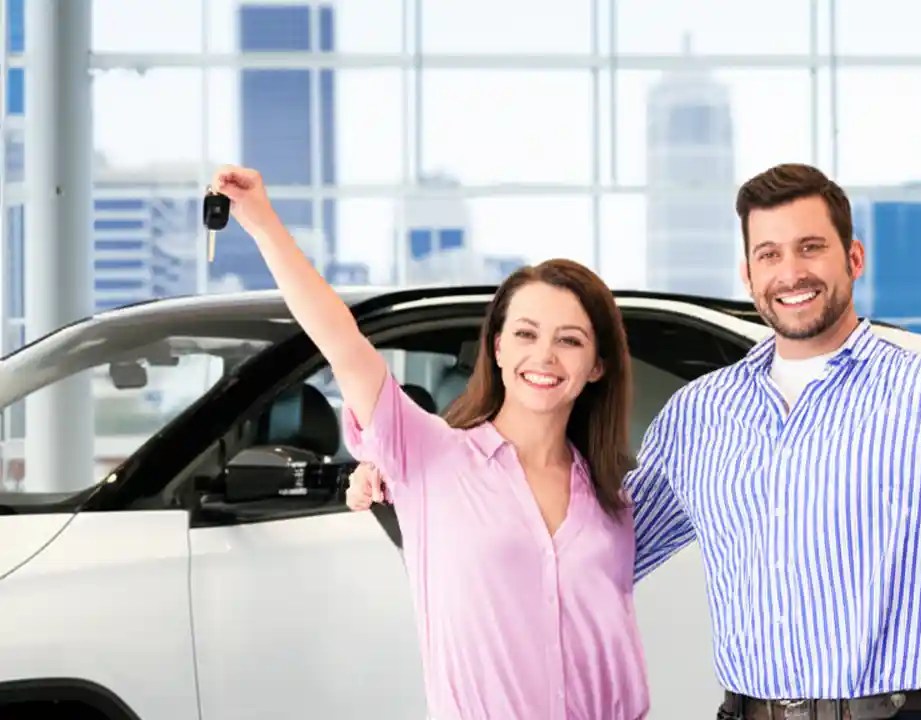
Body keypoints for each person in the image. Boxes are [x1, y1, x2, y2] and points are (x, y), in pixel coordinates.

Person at [624, 163, 921, 719]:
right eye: (770, 254)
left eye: (810, 247)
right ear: (748, 275)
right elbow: (607, 551)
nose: (790, 273)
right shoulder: (699, 414)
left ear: (854, 259)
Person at [212, 165, 649, 720]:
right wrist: (263, 222)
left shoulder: (615, 497)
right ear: (495, 348)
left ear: (596, 367)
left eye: (570, 340)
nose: (544, 357)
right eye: (525, 334)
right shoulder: (431, 456)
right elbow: (339, 339)